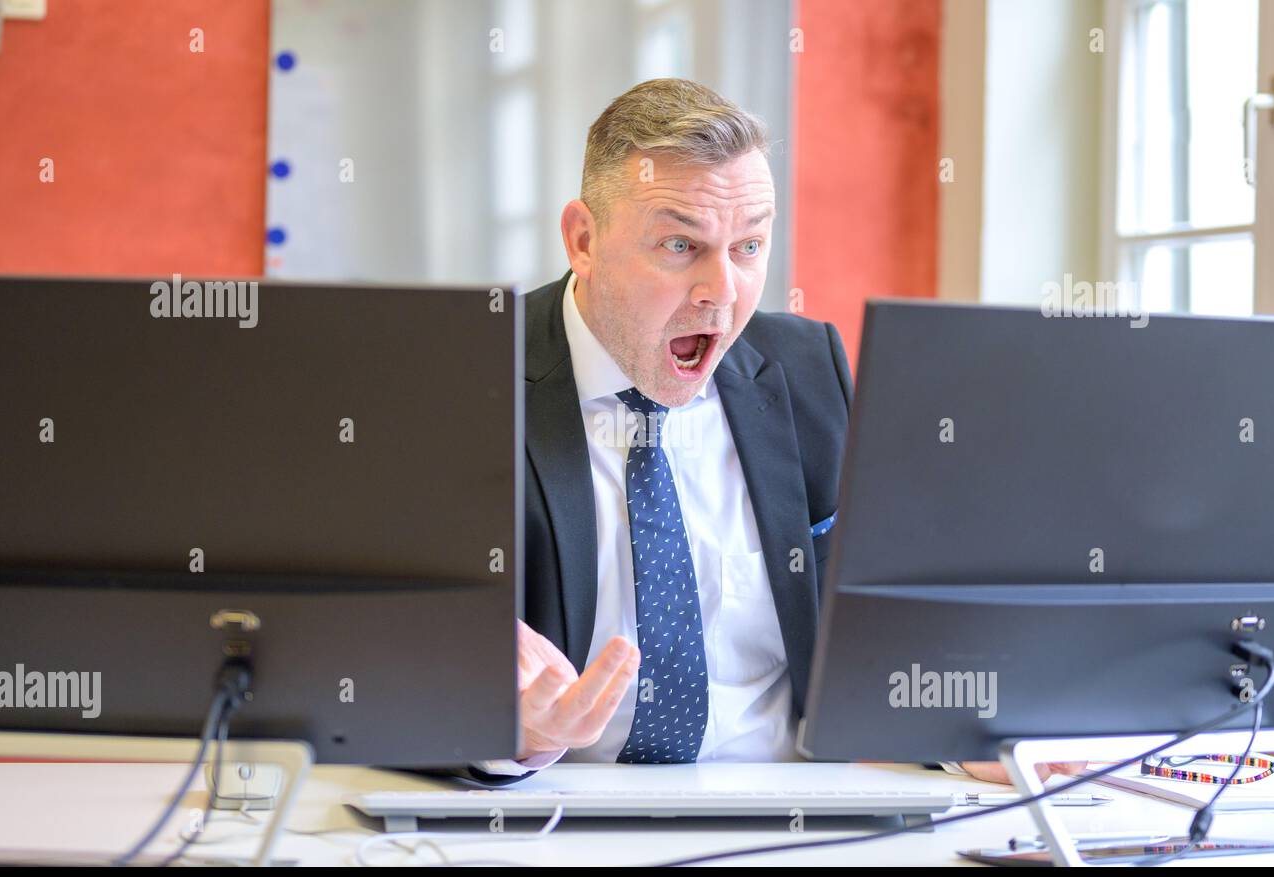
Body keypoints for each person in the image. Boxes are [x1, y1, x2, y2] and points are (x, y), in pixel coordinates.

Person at [461, 78, 1079, 787]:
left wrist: (955, 728)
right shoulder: (468, 378)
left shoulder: (806, 369)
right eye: (679, 245)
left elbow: (881, 630)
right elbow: (384, 665)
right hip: (557, 815)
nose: (720, 291)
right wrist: (507, 730)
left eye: (748, 247)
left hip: (795, 809)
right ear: (584, 239)